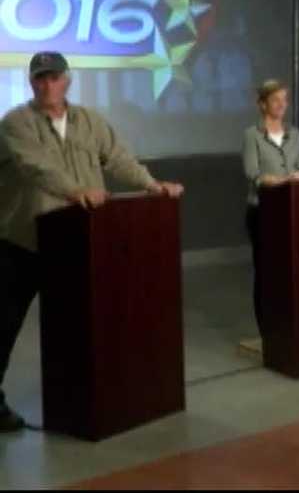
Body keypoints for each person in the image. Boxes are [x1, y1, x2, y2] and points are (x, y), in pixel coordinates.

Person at [0, 51, 184, 432]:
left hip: (81, 242)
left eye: (54, 77)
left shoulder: (90, 121)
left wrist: (152, 185)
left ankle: (89, 398)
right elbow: (37, 166)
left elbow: (118, 159)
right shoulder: (15, 123)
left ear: (68, 80)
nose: (48, 85)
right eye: (40, 79)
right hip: (23, 242)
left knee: (86, 324)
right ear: (31, 83)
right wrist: (76, 190)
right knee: (3, 324)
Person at [242, 79, 299, 341]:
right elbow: (253, 173)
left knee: (290, 270)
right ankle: (267, 330)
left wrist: (297, 177)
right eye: (276, 100)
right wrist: (282, 180)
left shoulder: (295, 133)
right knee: (266, 271)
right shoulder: (252, 134)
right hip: (262, 212)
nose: (282, 104)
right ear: (262, 104)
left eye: (285, 99)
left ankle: (288, 327)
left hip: (291, 211)